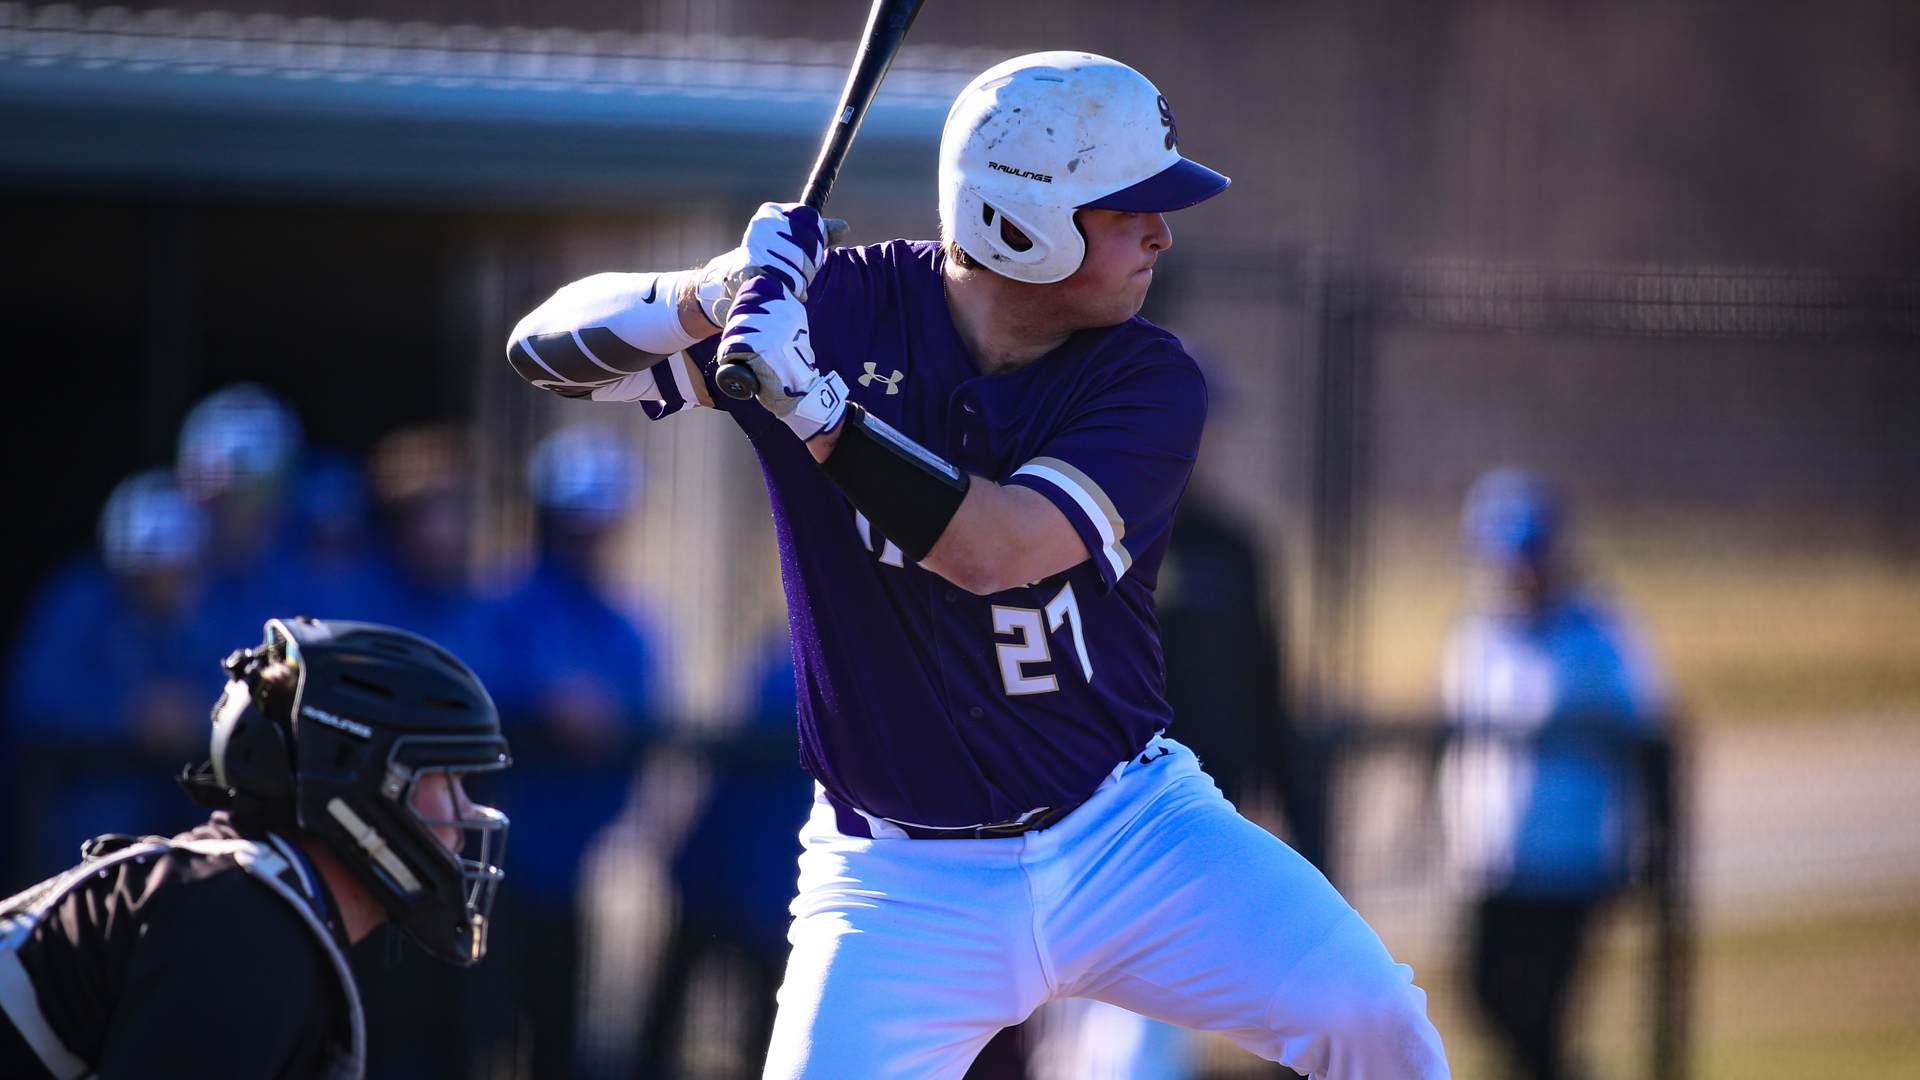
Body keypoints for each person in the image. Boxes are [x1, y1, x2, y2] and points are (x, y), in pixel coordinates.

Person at [506, 52, 1448, 1080]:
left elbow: (993, 550)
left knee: (1377, 1023)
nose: (1162, 233)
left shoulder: (1149, 377)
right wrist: (707, 293)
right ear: (1020, 223)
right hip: (895, 883)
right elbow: (542, 353)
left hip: (1124, 834)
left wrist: (815, 408)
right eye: (1129, 208)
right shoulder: (844, 308)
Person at [0, 616, 510, 1080]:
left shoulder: (249, 902)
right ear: (362, 781)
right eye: (447, 779)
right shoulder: (241, 928)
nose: (463, 821)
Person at [1440, 469, 1666, 1080]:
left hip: (1574, 860)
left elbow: (1648, 731)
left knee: (1546, 1016)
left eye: (1528, 556)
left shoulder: (1598, 633)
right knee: (1481, 992)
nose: (1517, 572)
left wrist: (1649, 837)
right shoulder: (1478, 633)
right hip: (1494, 859)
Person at [485, 422, 661, 1080]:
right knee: (466, 1029)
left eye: (598, 523)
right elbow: (473, 680)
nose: (585, 539)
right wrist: (543, 699)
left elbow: (643, 719)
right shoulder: (504, 605)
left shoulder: (628, 628)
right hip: (476, 866)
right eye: (572, 523)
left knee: (553, 1037)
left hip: (569, 869)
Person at [4, 469, 225, 878]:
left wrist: (199, 716)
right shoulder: (78, 600)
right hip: (94, 789)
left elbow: (245, 688)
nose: (164, 586)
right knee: (103, 811)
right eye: (148, 573)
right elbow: (33, 703)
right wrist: (128, 716)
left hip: (184, 793)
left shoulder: (214, 604)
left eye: (178, 571)